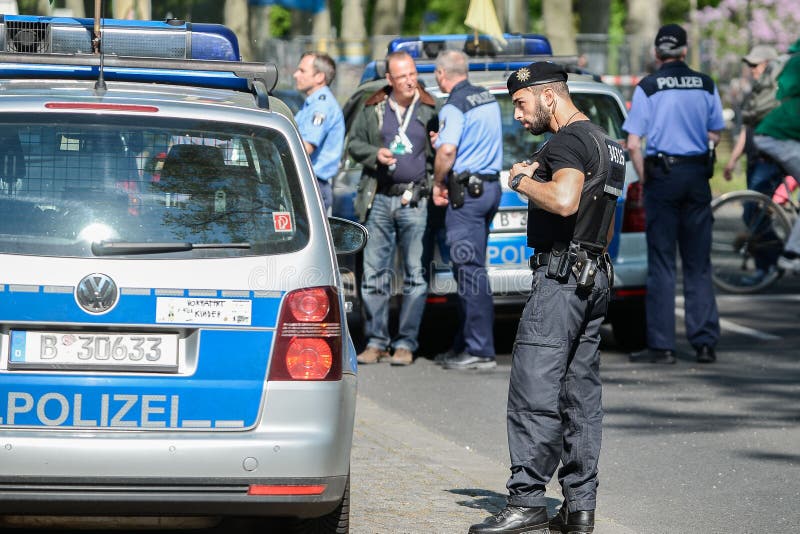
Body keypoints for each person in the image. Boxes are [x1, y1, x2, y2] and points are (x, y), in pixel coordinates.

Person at [468, 61, 624, 534]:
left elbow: (563, 200)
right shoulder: (607, 144)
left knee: (534, 392)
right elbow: (605, 221)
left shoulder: (568, 141)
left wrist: (520, 182)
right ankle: (579, 510)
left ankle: (527, 503)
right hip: (592, 277)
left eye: (521, 102)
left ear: (549, 96)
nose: (517, 114)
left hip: (560, 284)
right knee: (580, 398)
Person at [623, 24, 724, 365]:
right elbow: (716, 134)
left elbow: (633, 143)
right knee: (698, 263)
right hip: (696, 176)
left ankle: (662, 346)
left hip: (663, 178)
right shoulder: (706, 83)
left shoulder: (648, 87)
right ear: (684, 50)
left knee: (663, 263)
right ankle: (705, 342)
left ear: (656, 54)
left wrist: (646, 175)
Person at [347, 50, 439, 366]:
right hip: (380, 198)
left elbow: (440, 150)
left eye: (412, 74)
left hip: (415, 200)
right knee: (374, 274)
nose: (410, 81)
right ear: (390, 79)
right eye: (402, 76)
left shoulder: (429, 107)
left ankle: (406, 343)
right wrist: (376, 154)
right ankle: (376, 341)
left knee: (415, 275)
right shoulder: (373, 106)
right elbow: (354, 144)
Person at [430, 50, 502, 370]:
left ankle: (480, 350)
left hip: (466, 197)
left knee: (468, 271)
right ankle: (466, 342)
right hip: (488, 189)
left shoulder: (454, 104)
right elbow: (470, 142)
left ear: (443, 73)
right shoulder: (485, 97)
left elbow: (448, 151)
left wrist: (437, 181)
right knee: (471, 268)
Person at [723, 44, 785, 285]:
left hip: (769, 161)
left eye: (755, 65)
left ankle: (774, 259)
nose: (751, 69)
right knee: (756, 214)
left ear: (770, 64)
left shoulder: (779, 92)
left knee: (753, 213)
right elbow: (746, 130)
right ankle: (773, 260)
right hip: (754, 159)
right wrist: (733, 159)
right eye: (749, 65)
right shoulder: (755, 92)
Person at [751, 38, 800, 272]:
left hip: (777, 134)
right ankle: (791, 253)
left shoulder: (791, 60)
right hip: (778, 136)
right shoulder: (796, 62)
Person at [292, 51, 345, 213]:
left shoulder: (321, 106)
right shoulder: (312, 104)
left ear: (319, 77)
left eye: (302, 71)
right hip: (313, 185)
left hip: (313, 185)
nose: (295, 75)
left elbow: (305, 148)